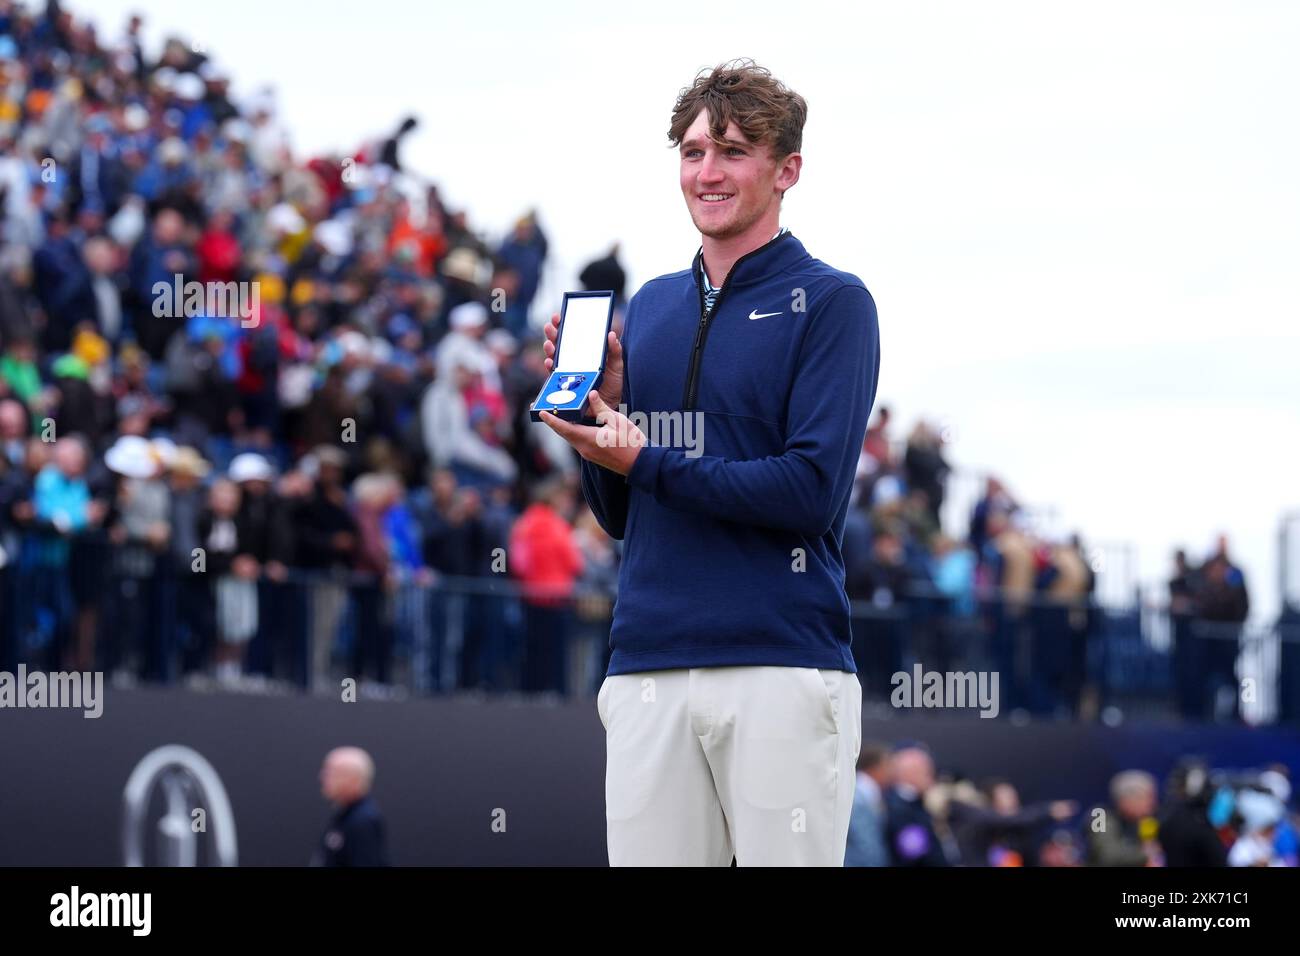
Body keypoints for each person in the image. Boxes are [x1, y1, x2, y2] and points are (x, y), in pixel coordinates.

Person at [540, 59, 880, 866]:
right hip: (647, 665)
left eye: (732, 151)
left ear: (786, 169)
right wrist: (608, 423)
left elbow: (808, 493)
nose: (708, 172)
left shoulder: (835, 302)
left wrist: (643, 453)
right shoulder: (651, 303)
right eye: (693, 152)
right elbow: (623, 513)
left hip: (780, 663)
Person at [311, 747, 389, 867]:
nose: (322, 777)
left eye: (331, 772)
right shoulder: (344, 815)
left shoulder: (362, 821)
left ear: (353, 779)